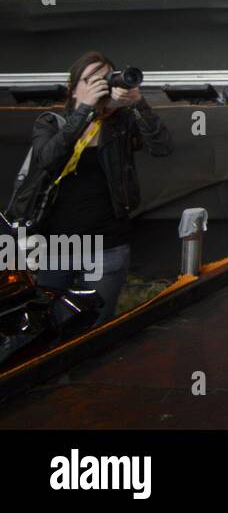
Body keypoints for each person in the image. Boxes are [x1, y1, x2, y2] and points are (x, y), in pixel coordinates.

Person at [30, 53, 173, 327]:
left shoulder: (119, 124)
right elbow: (47, 160)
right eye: (90, 80)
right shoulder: (50, 123)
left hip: (106, 245)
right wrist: (84, 110)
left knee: (95, 332)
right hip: (58, 244)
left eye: (105, 79)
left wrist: (139, 104)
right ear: (73, 88)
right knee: (49, 330)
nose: (100, 86)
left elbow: (162, 147)